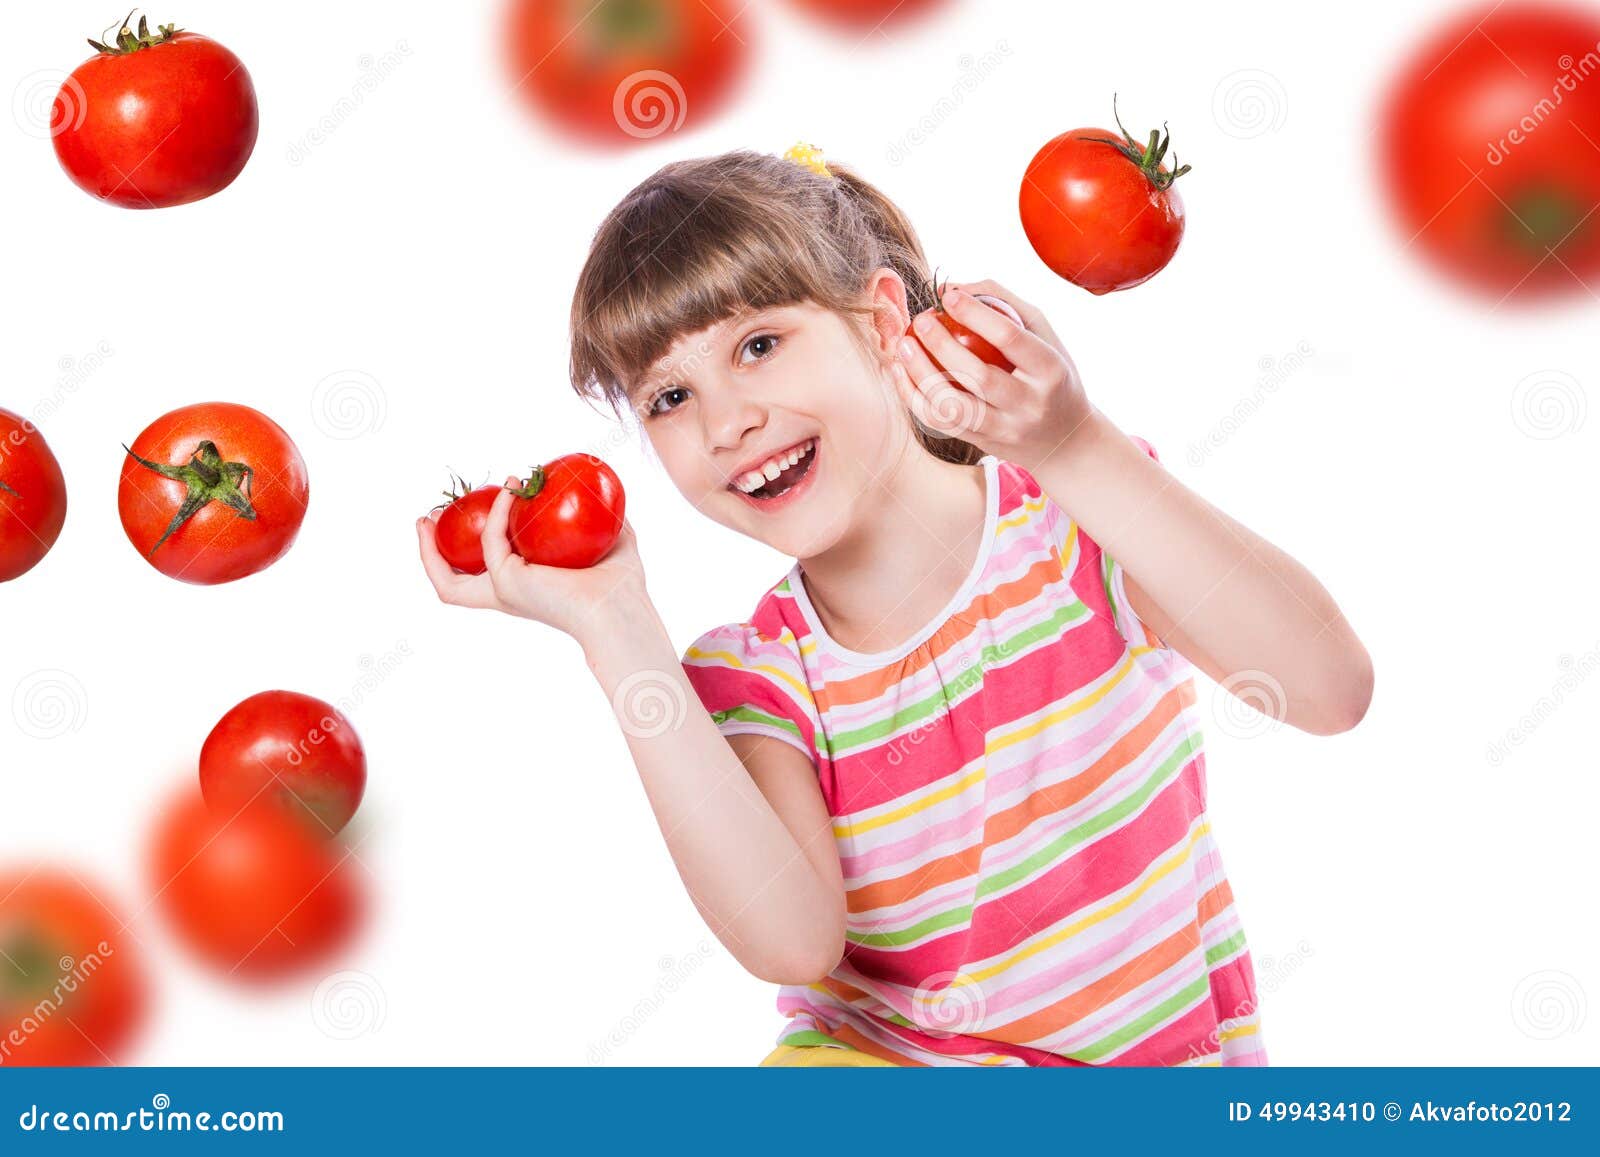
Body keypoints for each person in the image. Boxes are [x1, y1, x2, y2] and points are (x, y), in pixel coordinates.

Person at [417, 145, 1373, 1067]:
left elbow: (1329, 689)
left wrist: (1074, 444)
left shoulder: (1078, 528)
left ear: (880, 322)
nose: (724, 423)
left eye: (759, 345)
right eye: (668, 396)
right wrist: (616, 627)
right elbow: (793, 943)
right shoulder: (753, 678)